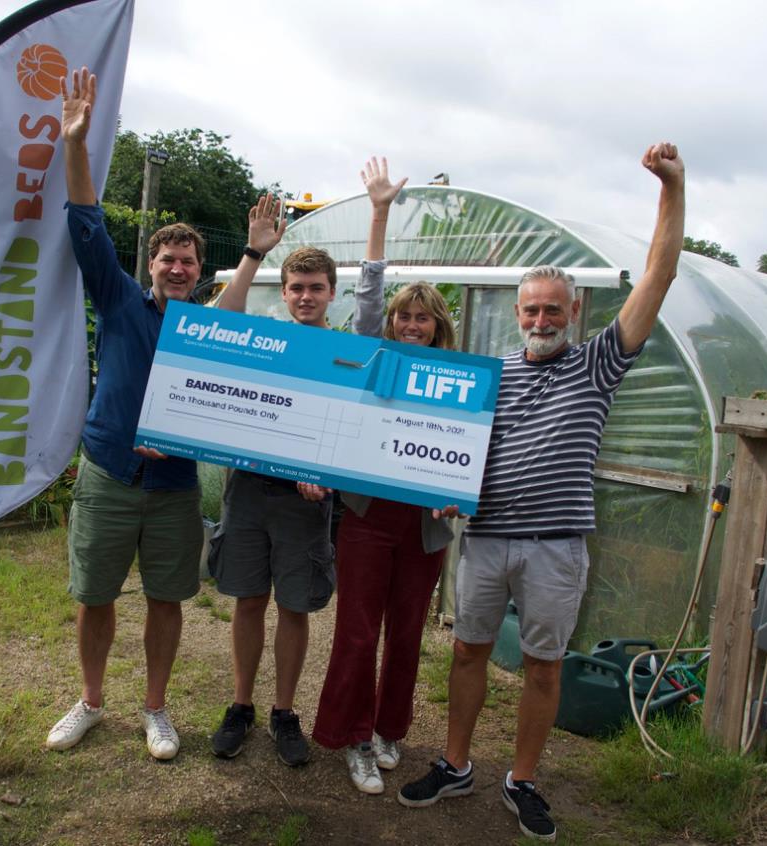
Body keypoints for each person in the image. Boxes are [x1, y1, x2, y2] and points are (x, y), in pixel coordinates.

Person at [398, 142, 685, 842]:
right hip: (487, 540)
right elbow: (457, 452)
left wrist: (672, 189)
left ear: (575, 308)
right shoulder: (491, 375)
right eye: (530, 309)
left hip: (555, 547)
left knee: (542, 666)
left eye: (552, 309)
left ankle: (522, 781)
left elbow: (658, 275)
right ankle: (456, 762)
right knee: (467, 652)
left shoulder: (600, 364)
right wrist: (445, 489)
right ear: (517, 311)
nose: (540, 319)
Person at [46, 67, 285, 761]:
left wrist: (253, 252)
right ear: (149, 264)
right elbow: (85, 222)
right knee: (94, 597)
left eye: (187, 261)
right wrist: (75, 145)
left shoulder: (208, 328)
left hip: (174, 486)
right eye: (166, 257)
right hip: (109, 478)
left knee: (166, 600)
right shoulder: (120, 303)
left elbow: (235, 307)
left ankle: (155, 709)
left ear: (199, 272)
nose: (176, 267)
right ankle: (91, 702)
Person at [307, 157, 459, 794]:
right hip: (368, 519)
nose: (410, 326)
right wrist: (379, 212)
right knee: (358, 631)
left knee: (406, 638)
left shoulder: (459, 385)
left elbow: (465, 453)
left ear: (439, 327)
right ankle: (355, 738)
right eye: (404, 317)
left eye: (422, 319)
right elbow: (368, 293)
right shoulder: (376, 358)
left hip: (423, 529)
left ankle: (391, 728)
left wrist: (457, 497)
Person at [206, 240, 342, 768]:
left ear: (332, 293)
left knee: (294, 607)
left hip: (303, 505)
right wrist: (254, 251)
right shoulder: (267, 341)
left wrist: (322, 473)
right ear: (283, 294)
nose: (306, 297)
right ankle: (242, 705)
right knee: (247, 600)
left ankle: (284, 712)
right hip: (248, 491)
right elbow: (223, 318)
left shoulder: (345, 354)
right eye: (297, 289)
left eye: (316, 288)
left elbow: (348, 425)